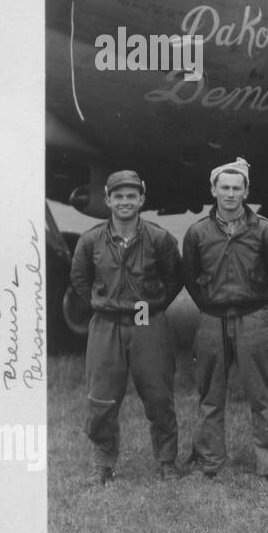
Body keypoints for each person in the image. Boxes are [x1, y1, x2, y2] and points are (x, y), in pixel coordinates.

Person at [69, 170, 183, 484]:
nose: (125, 202)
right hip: (106, 324)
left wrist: (152, 303)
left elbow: (174, 278)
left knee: (159, 397)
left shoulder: (159, 238)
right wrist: (103, 303)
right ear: (107, 199)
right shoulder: (91, 239)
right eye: (118, 196)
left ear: (142, 200)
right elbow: (80, 280)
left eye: (131, 196)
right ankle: (102, 464)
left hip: (148, 322)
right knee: (101, 399)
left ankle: (167, 462)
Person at [182, 157, 268, 487]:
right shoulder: (197, 232)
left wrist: (256, 307)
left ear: (246, 191)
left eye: (236, 188)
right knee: (210, 396)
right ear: (213, 190)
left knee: (263, 397)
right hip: (212, 319)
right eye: (224, 188)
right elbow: (190, 276)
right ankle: (209, 462)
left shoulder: (265, 230)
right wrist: (212, 304)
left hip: (254, 318)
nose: (230, 194)